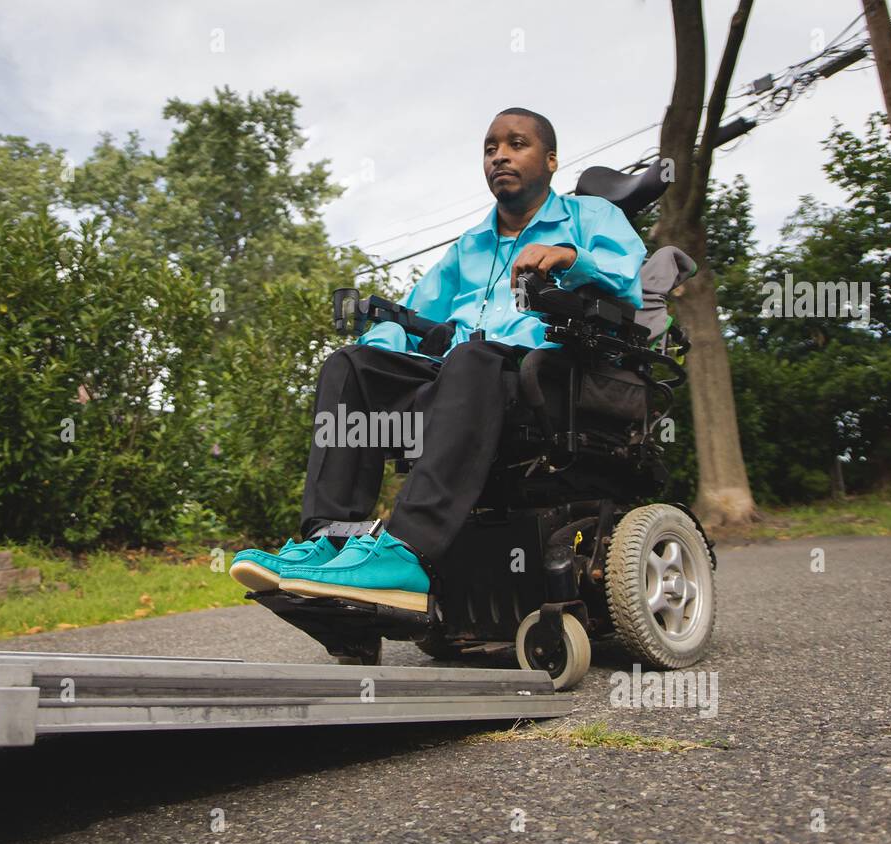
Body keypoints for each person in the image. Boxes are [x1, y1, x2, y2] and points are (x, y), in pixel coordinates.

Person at [230, 107, 647, 612]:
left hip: (547, 379)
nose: (500, 156)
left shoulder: (590, 218)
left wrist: (570, 258)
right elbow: (414, 319)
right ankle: (332, 546)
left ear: (551, 160)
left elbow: (625, 279)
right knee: (350, 366)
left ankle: (405, 552)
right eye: (491, 148)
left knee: (472, 358)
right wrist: (376, 354)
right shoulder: (467, 248)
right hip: (457, 386)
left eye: (516, 144)